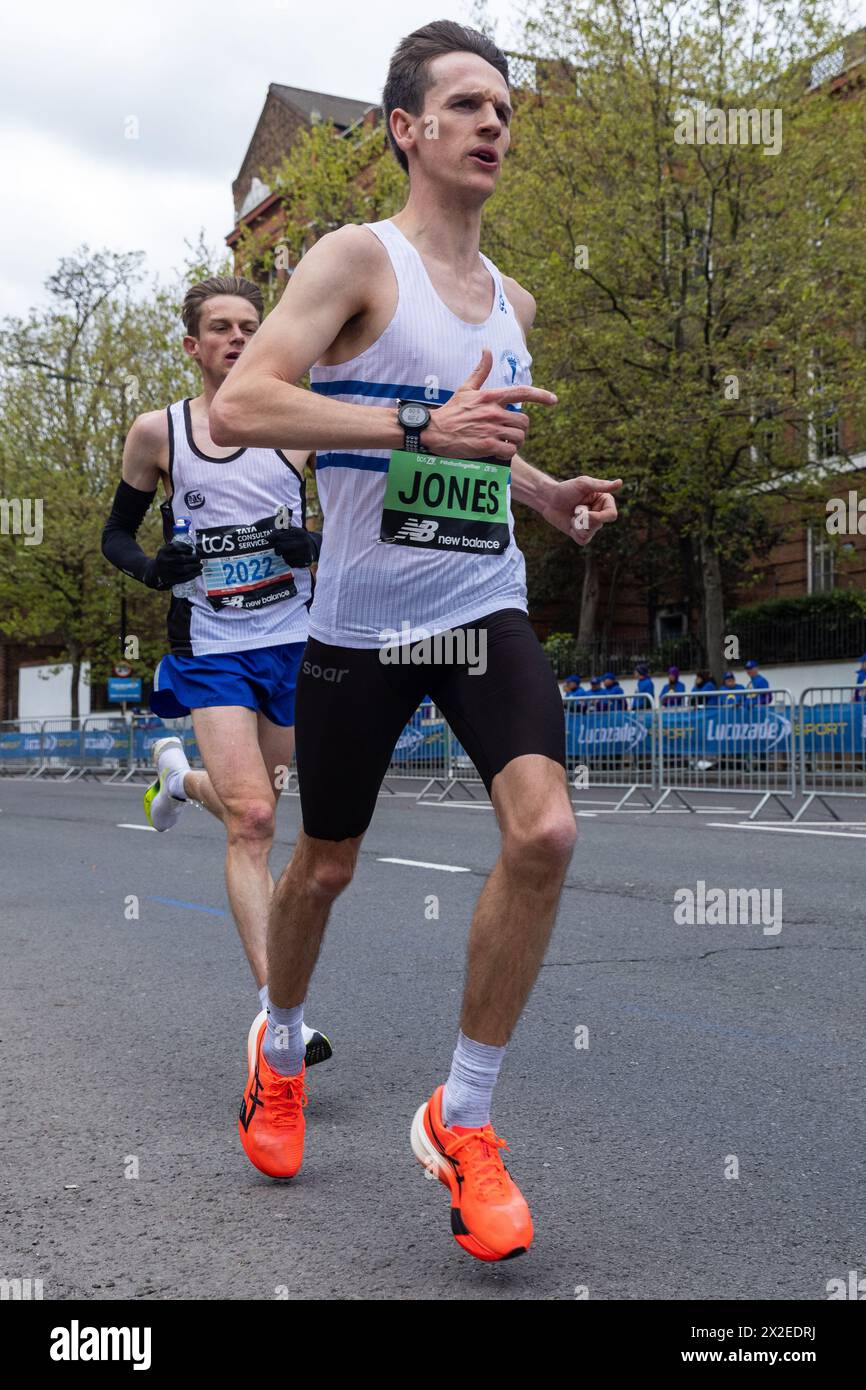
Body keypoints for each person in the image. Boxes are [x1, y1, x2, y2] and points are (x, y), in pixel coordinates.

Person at [211, 20, 621, 1260]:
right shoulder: (354, 258)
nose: (493, 123)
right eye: (467, 104)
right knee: (322, 865)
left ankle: (465, 1115)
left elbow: (474, 432)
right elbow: (240, 406)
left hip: (475, 605)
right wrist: (409, 428)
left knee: (543, 827)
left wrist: (538, 492)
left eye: (504, 107)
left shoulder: (516, 299)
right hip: (357, 630)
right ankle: (277, 1048)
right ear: (408, 128)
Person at [101, 274, 332, 1071]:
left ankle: (175, 779)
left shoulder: (300, 426)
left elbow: (359, 526)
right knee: (258, 822)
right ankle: (283, 1020)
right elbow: (117, 538)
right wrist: (153, 567)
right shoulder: (158, 432)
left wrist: (319, 547)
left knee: (254, 799)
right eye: (222, 328)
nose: (238, 337)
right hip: (210, 645)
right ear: (194, 345)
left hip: (291, 640)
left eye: (250, 325)